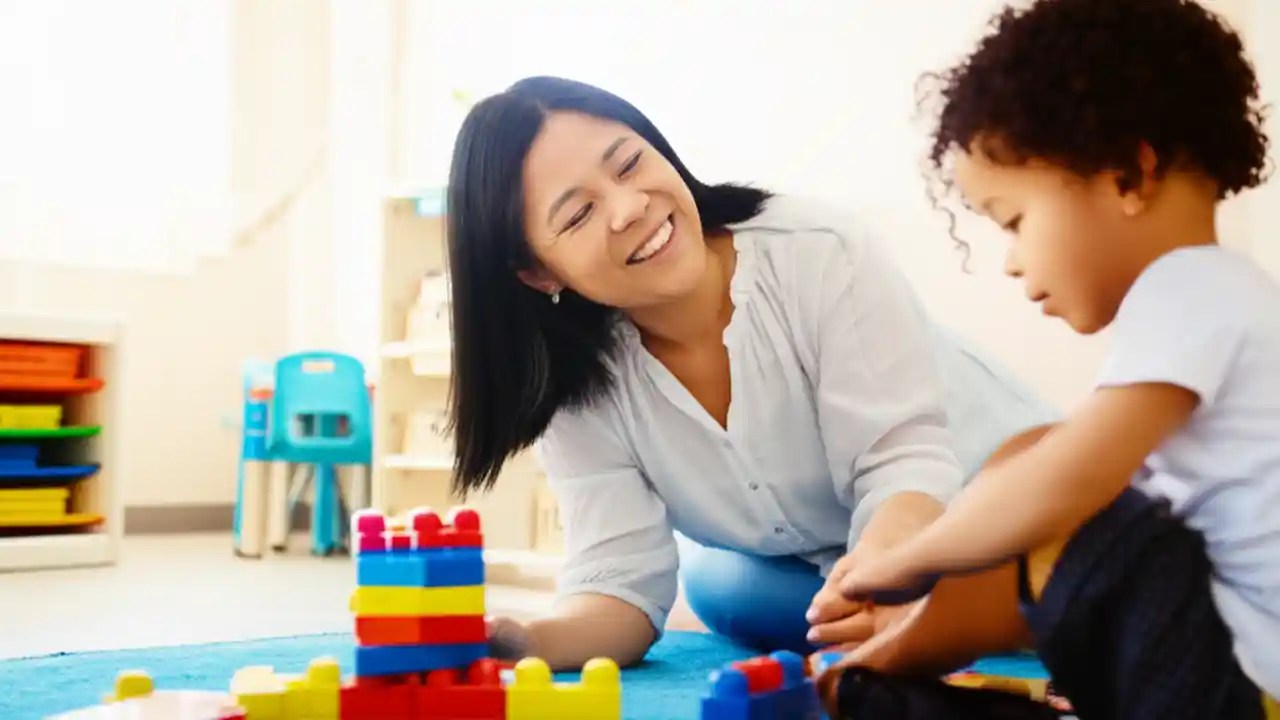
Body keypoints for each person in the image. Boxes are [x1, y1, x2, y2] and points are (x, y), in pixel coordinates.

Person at [444, 75, 1055, 672]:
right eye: (578, 215)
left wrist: (880, 578)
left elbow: (903, 467)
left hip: (1010, 501)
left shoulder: (816, 250)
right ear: (536, 272)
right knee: (719, 587)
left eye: (629, 164)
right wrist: (526, 641)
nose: (630, 208)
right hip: (840, 559)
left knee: (1041, 580)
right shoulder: (574, 386)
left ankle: (994, 607)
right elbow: (618, 586)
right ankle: (936, 609)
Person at [818, 0, 1280, 718]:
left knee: (1065, 508)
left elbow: (1067, 481)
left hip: (1242, 682)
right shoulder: (1220, 297)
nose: (1011, 262)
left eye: (1015, 222)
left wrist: (911, 557)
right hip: (1233, 663)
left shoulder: (1190, 291)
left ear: (1128, 174)